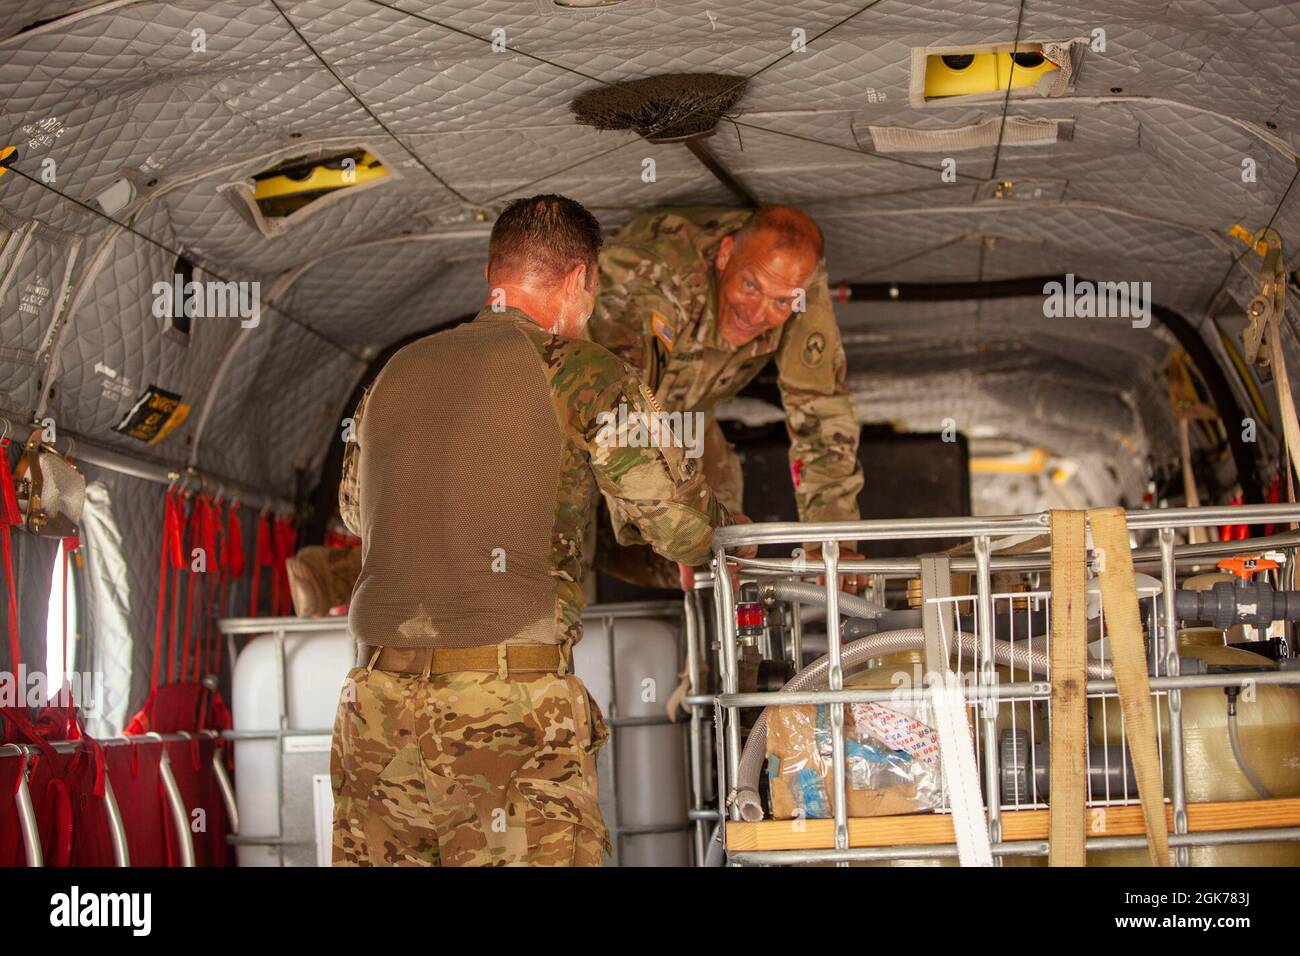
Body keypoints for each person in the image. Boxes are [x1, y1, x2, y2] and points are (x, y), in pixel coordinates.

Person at [330, 194, 735, 866]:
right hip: (504, 710)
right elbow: (680, 523)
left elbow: (353, 510)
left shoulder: (394, 373)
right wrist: (730, 532)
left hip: (374, 708)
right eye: (592, 294)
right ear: (578, 281)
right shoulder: (586, 371)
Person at [590, 205, 868, 592]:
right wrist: (687, 530)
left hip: (682, 415)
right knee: (560, 537)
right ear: (724, 256)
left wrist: (831, 541)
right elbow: (619, 419)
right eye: (750, 286)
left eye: (781, 302)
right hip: (576, 416)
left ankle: (626, 549)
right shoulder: (656, 278)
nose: (757, 313)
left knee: (720, 561)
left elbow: (820, 414)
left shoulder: (797, 283)